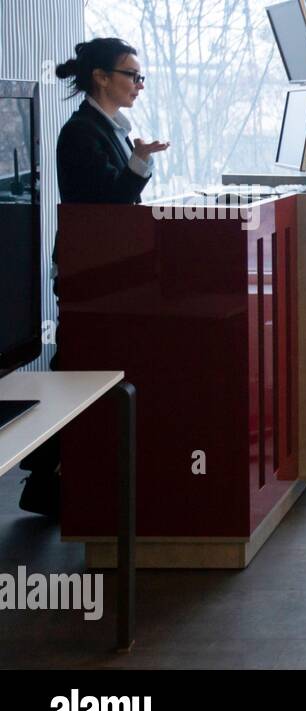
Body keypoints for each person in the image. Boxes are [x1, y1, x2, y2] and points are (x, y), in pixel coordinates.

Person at [18, 38, 169, 516]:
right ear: (101, 77)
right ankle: (48, 480)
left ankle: (46, 480)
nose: (138, 85)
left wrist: (137, 157)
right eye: (131, 75)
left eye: (141, 77)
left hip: (103, 270)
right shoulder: (82, 132)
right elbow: (109, 202)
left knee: (75, 370)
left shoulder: (108, 128)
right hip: (91, 272)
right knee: (77, 373)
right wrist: (140, 161)